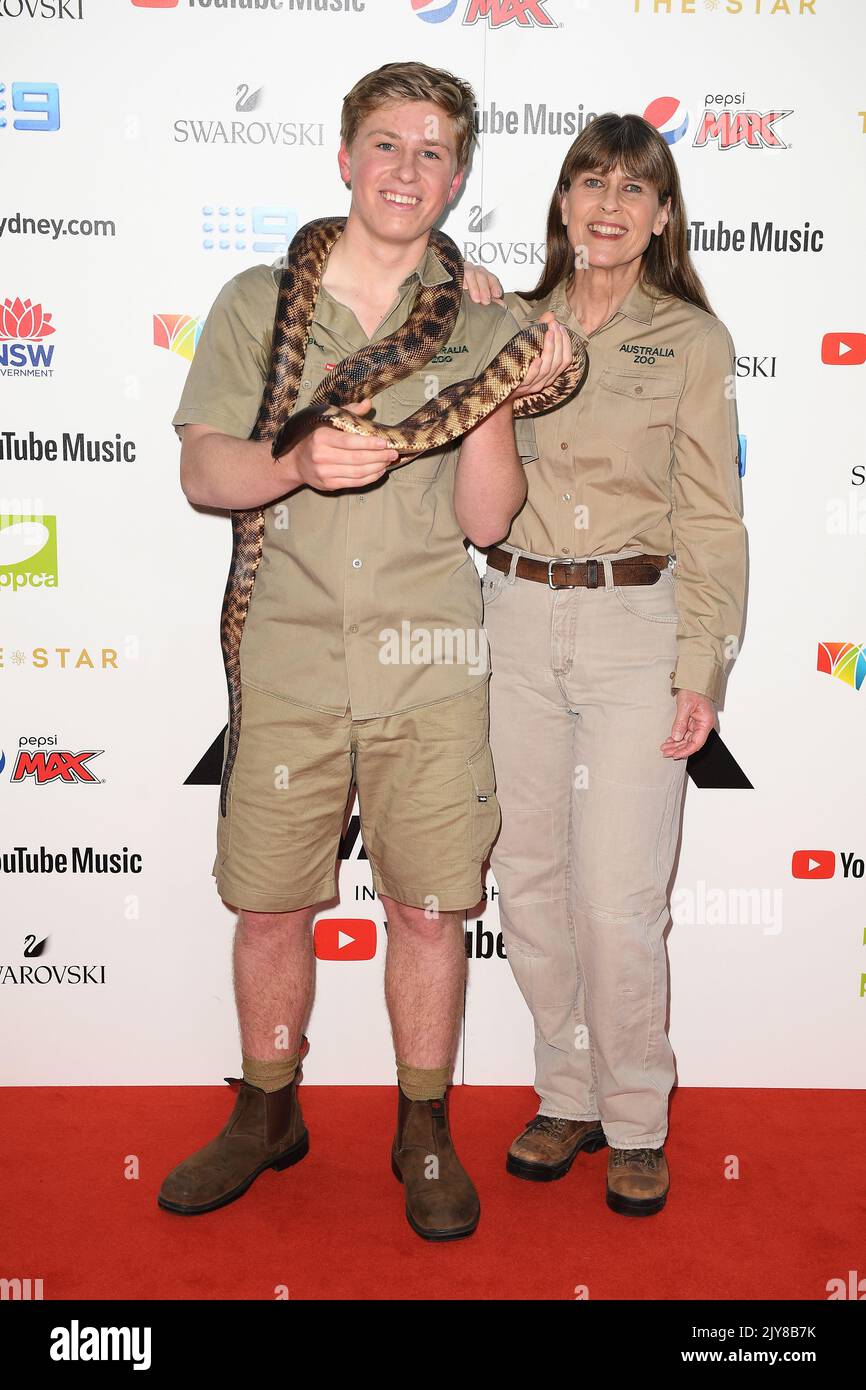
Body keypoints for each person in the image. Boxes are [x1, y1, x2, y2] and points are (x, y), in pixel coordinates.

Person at [158, 60, 572, 1241]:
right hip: (288, 654)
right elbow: (203, 472)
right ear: (345, 158)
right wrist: (288, 463)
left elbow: (486, 523)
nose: (406, 167)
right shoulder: (255, 299)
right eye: (385, 143)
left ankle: (423, 1124)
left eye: (432, 150)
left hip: (429, 661)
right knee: (272, 904)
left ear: (456, 178)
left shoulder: (488, 319)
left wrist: (497, 390)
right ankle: (266, 1107)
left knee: (431, 907)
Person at [463, 113, 747, 1215]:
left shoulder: (689, 340)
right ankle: (565, 1090)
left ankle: (633, 1115)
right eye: (591, 181)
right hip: (516, 618)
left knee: (618, 897)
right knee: (528, 883)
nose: (610, 203)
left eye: (635, 187)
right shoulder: (509, 325)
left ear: (662, 215)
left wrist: (702, 668)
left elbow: (713, 519)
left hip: (636, 624)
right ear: (563, 201)